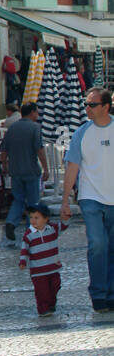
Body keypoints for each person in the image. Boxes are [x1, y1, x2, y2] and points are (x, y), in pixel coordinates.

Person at [61, 86, 114, 311]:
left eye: (92, 105)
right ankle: (99, 293)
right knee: (97, 244)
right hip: (90, 198)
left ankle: (111, 293)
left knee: (111, 247)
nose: (87, 108)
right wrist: (65, 200)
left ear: (106, 107)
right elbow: (72, 166)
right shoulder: (82, 133)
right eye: (86, 104)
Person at [0, 102, 48, 242]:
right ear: (32, 112)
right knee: (33, 202)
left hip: (15, 170)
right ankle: (30, 231)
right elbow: (39, 150)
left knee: (18, 200)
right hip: (31, 170)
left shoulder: (12, 128)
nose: (37, 115)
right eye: (37, 112)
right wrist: (46, 168)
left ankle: (11, 222)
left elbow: (4, 150)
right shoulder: (35, 128)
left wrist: (4, 166)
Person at [18, 203, 68, 317]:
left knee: (55, 285)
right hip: (38, 271)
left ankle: (51, 304)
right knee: (41, 291)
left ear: (46, 219)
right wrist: (22, 262)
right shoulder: (29, 234)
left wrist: (66, 218)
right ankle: (43, 308)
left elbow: (63, 226)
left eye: (36, 218)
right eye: (31, 217)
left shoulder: (52, 229)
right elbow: (24, 249)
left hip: (53, 267)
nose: (33, 220)